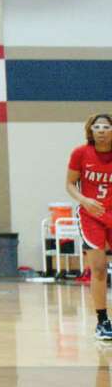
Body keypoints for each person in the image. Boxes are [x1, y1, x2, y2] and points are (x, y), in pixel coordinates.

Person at [66, 112, 112, 341]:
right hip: (92, 214)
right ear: (91, 130)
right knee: (99, 267)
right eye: (97, 127)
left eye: (106, 126)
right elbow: (70, 184)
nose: (102, 130)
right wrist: (84, 200)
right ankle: (103, 321)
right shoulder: (81, 153)